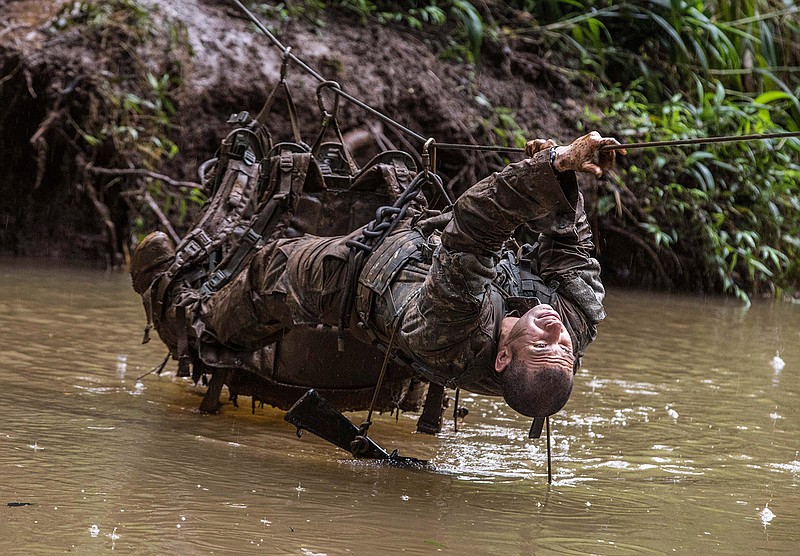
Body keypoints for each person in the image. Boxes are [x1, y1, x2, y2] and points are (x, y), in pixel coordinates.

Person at [132, 131, 624, 422]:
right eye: (563, 349)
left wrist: (548, 165)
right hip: (424, 256)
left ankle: (185, 320)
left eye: (542, 344)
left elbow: (475, 225)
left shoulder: (451, 329)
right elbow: (571, 244)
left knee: (267, 271)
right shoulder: (576, 322)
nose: (556, 330)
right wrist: (560, 176)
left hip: (359, 278)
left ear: (501, 356)